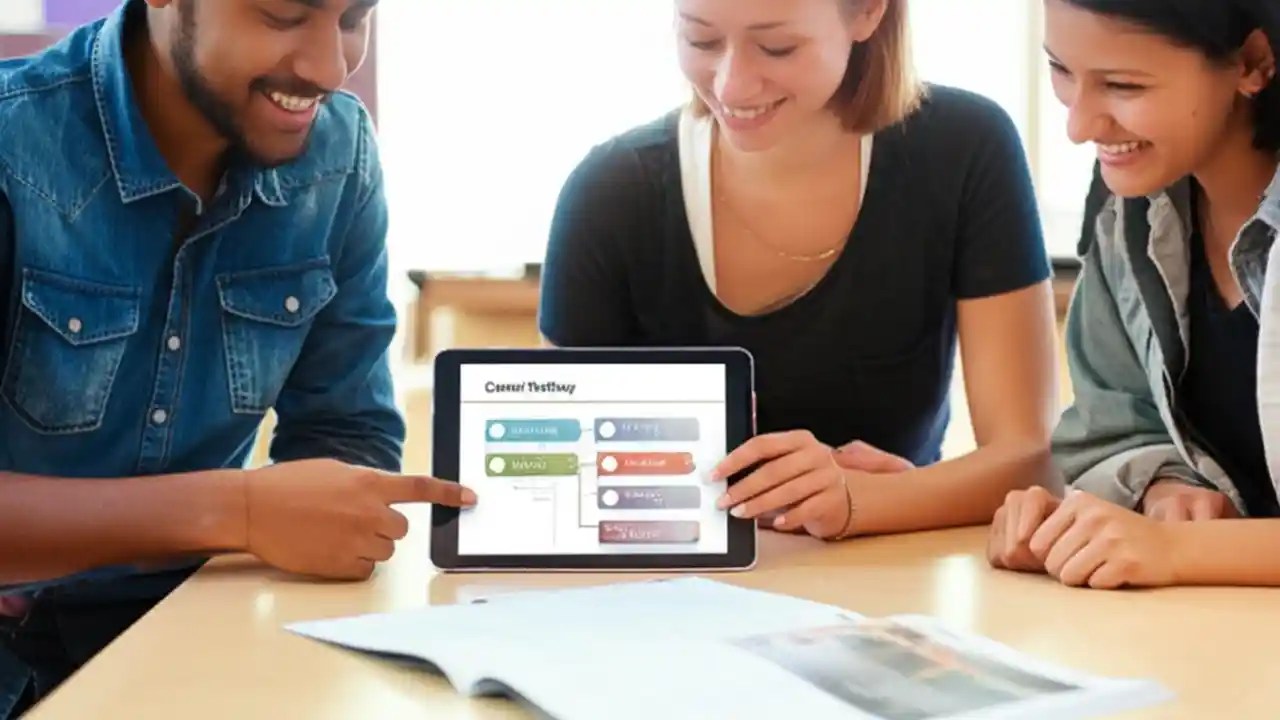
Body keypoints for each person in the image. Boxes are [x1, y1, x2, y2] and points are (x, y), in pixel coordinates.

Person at [0, 0, 476, 714]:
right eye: (284, 15)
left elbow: (348, 441)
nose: (330, 66)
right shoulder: (13, 147)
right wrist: (241, 511)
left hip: (205, 635)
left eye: (354, 16)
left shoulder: (339, 156)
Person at [539, 0, 1060, 542]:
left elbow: (1030, 461)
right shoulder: (610, 192)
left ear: (866, 14)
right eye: (701, 41)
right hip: (663, 596)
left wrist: (866, 501)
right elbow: (553, 474)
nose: (731, 85)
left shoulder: (964, 148)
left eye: (776, 47)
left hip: (884, 588)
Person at [989, 0, 1280, 589]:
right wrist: (1162, 488)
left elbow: (1179, 551)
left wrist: (1179, 550)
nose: (1079, 126)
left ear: (1252, 62)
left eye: (1122, 85)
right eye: (1062, 70)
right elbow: (1114, 425)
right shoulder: (1135, 210)